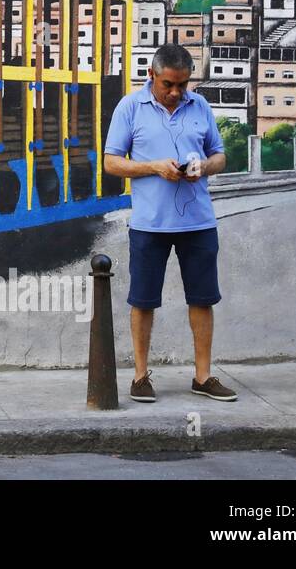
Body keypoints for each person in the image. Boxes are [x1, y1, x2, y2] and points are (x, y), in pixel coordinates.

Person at [103, 43, 236, 404]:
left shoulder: (201, 106)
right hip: (149, 223)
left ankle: (203, 376)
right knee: (143, 301)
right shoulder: (130, 107)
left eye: (183, 84)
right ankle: (141, 376)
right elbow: (112, 162)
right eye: (168, 84)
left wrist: (204, 167)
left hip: (199, 221)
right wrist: (154, 167)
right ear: (152, 75)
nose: (176, 92)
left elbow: (220, 155)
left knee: (203, 299)